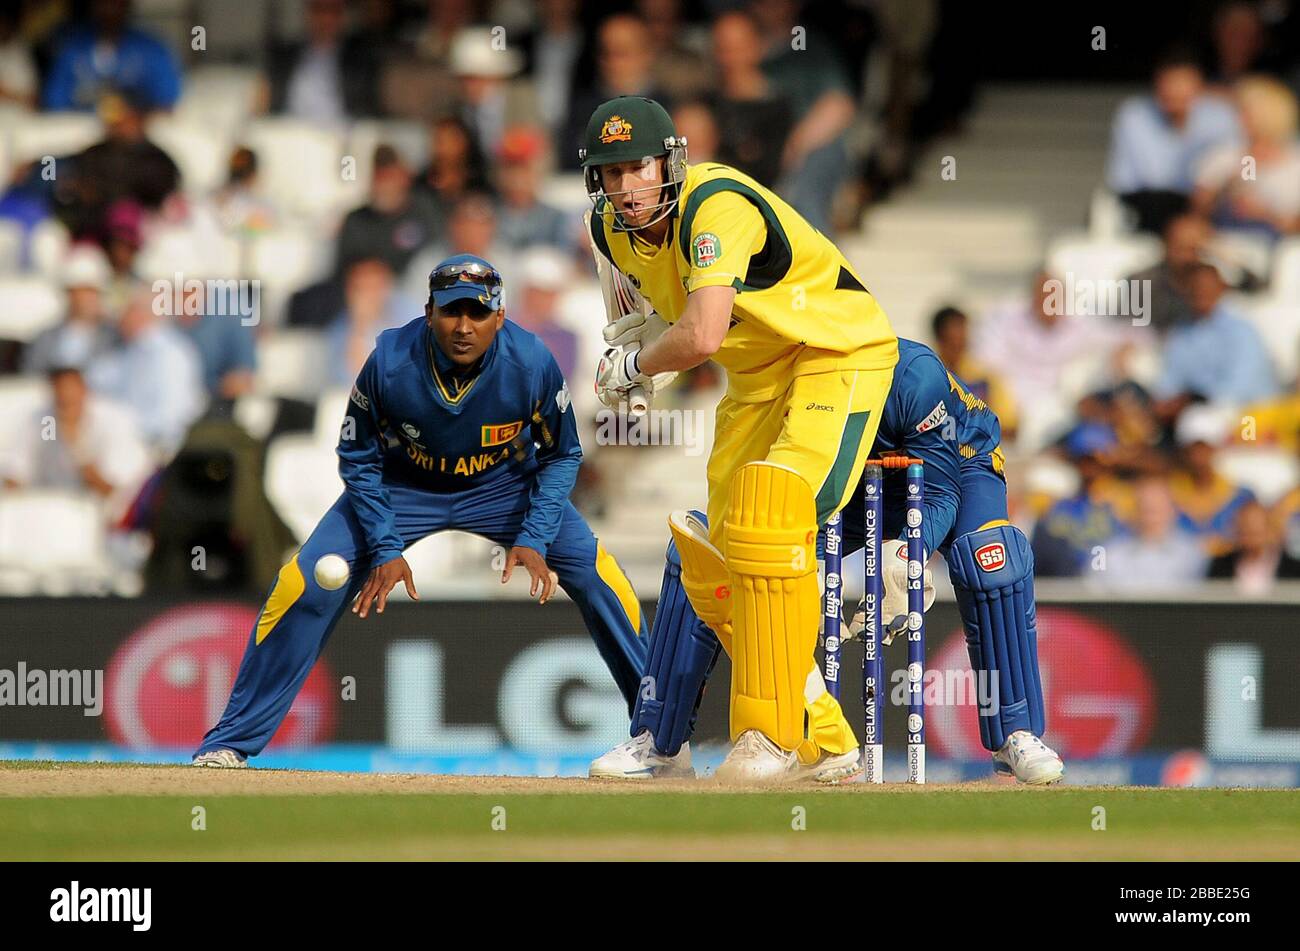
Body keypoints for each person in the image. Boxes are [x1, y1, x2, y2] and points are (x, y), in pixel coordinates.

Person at [191, 255, 648, 767]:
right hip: (402, 485)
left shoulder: (531, 362)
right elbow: (357, 456)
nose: (463, 327)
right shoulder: (389, 359)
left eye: (478, 314)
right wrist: (385, 545)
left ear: (500, 317)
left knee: (597, 573)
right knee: (305, 583)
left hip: (504, 486)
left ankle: (658, 733)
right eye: (451, 312)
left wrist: (535, 537)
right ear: (429, 311)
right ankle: (230, 741)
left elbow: (563, 454)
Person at [581, 96, 897, 782]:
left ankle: (770, 738)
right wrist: (632, 352)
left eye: (637, 167)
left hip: (834, 352)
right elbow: (630, 313)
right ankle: (826, 741)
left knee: (770, 520)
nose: (626, 187)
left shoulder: (714, 205)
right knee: (721, 558)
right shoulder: (606, 228)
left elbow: (700, 335)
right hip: (756, 375)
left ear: (669, 160)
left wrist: (635, 365)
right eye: (610, 174)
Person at [591, 339, 1065, 785]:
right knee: (718, 556)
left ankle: (1016, 733)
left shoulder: (911, 375)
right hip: (848, 478)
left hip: (957, 463)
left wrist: (907, 556)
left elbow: (940, 491)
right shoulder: (777, 377)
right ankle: (662, 742)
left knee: (989, 560)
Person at [1106, 50, 1241, 234]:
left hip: (1211, 208)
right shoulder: (1134, 114)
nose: (1175, 91)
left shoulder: (1221, 116)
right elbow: (1131, 181)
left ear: (1199, 86)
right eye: (1169, 84)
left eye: (1182, 84)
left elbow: (1239, 163)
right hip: (1150, 207)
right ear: (1157, 85)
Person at [42, 0, 181, 112]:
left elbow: (168, 99)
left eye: (116, 2)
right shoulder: (72, 48)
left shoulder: (151, 47)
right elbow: (54, 101)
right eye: (103, 2)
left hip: (137, 130)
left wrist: (139, 117)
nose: (109, 8)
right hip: (83, 129)